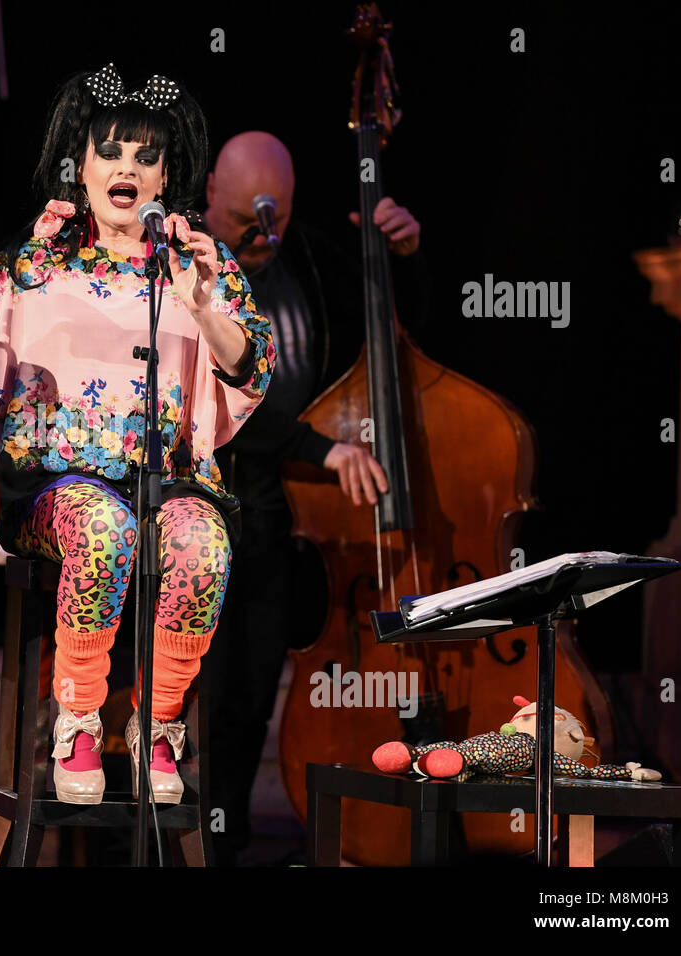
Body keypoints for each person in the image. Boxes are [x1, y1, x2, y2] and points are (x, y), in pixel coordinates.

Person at [0, 65, 275, 806]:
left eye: (145, 155)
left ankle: (158, 726)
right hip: (53, 490)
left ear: (165, 174)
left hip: (168, 484)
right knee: (103, 527)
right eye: (111, 151)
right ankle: (80, 721)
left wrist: (201, 306)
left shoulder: (198, 262)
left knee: (203, 542)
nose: (126, 166)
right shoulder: (37, 261)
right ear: (84, 164)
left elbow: (249, 366)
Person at [200, 130, 427, 864]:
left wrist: (398, 259)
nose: (261, 237)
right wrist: (320, 448)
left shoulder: (306, 259)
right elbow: (217, 401)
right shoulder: (186, 272)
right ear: (208, 198)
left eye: (275, 219)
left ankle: (229, 842)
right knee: (202, 702)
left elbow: (391, 342)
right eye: (243, 221)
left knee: (251, 703)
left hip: (292, 520)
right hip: (203, 511)